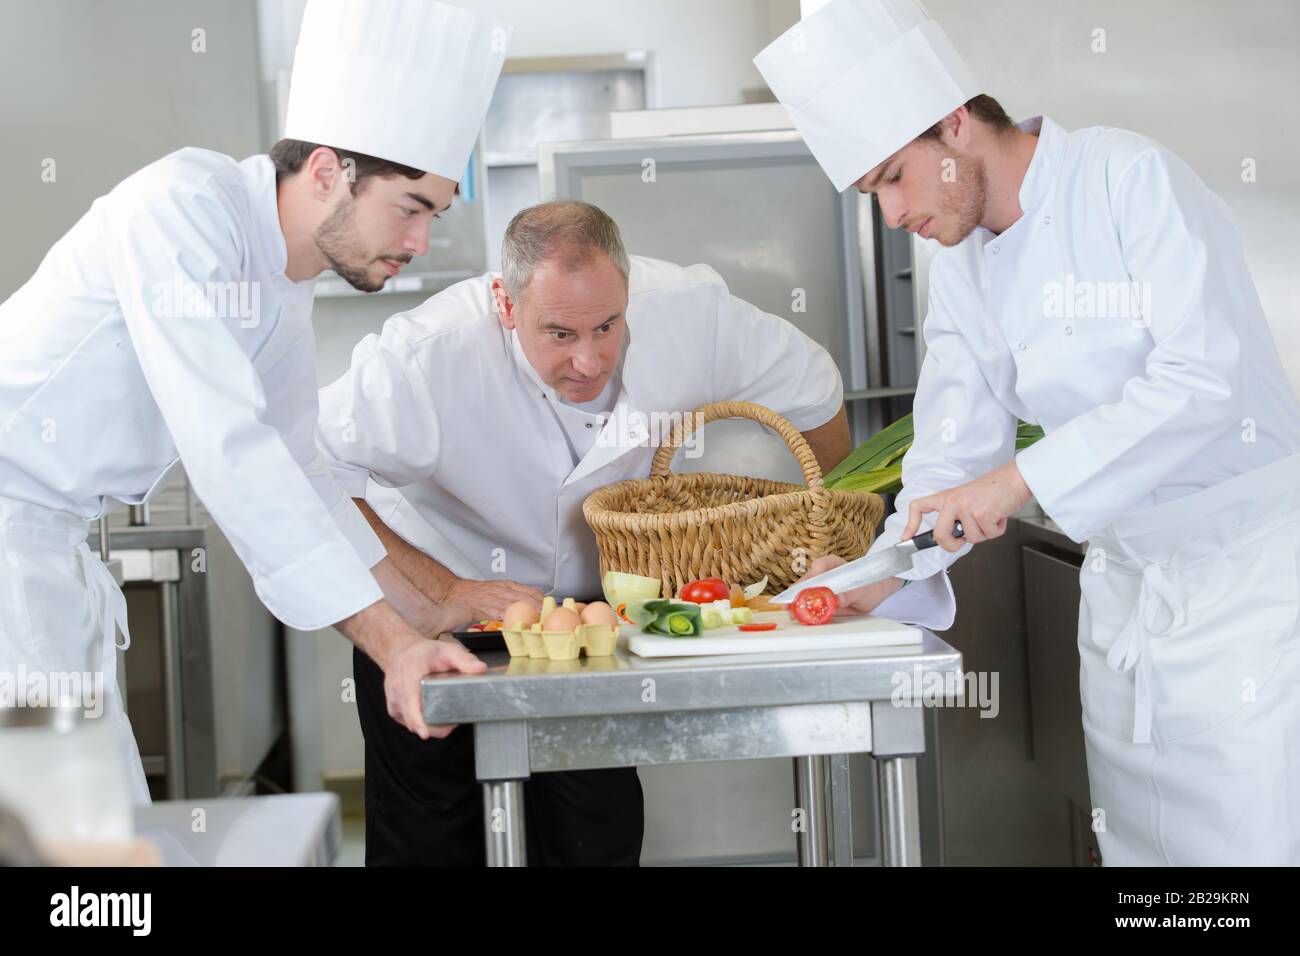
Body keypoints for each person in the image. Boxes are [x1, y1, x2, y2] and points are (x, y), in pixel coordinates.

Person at [758, 0, 1300, 864]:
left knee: (1251, 850)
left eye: (895, 176)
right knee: (1144, 858)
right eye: (872, 194)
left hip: (1247, 592)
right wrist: (876, 576)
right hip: (1128, 601)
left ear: (954, 123)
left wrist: (1018, 483)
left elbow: (1204, 378)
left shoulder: (1128, 178)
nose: (892, 214)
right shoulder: (966, 267)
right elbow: (950, 454)